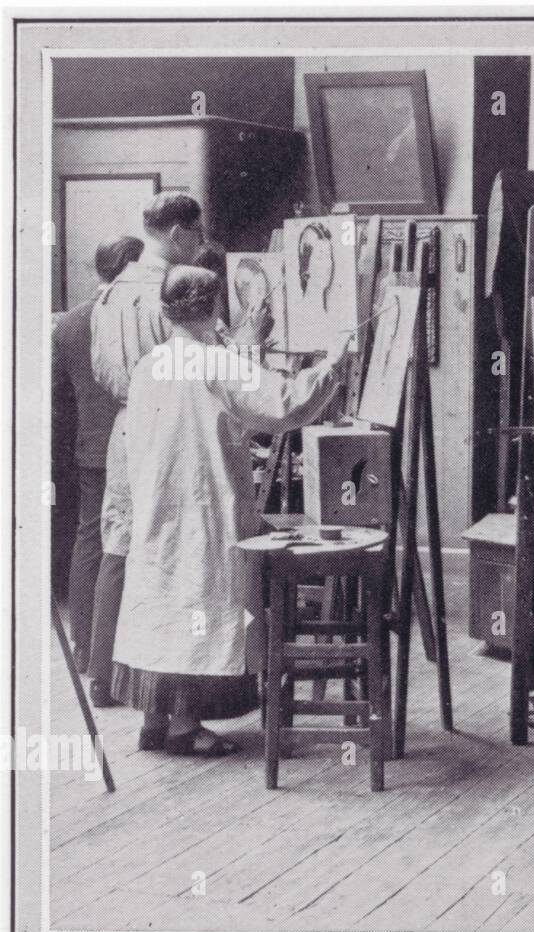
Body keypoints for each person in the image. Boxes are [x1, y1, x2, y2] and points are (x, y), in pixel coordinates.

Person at [112, 266, 350, 756]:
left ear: (165, 311)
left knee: (164, 609)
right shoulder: (215, 363)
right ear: (217, 308)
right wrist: (332, 366)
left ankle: (155, 720)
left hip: (159, 507)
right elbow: (284, 403)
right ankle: (183, 726)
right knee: (197, 608)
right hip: (203, 508)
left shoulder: (149, 365)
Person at [85, 193, 205, 707]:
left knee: (119, 545)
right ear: (178, 233)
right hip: (166, 427)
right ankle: (167, 696)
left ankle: (102, 674)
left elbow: (100, 368)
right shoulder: (173, 289)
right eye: (197, 234)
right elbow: (199, 367)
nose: (200, 244)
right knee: (170, 552)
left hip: (123, 427)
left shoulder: (110, 293)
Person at [52, 235, 143, 671]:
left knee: (90, 541)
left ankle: (86, 648)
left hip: (89, 446)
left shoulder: (69, 322)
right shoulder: (131, 315)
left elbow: (57, 396)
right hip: (130, 445)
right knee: (127, 548)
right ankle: (119, 656)